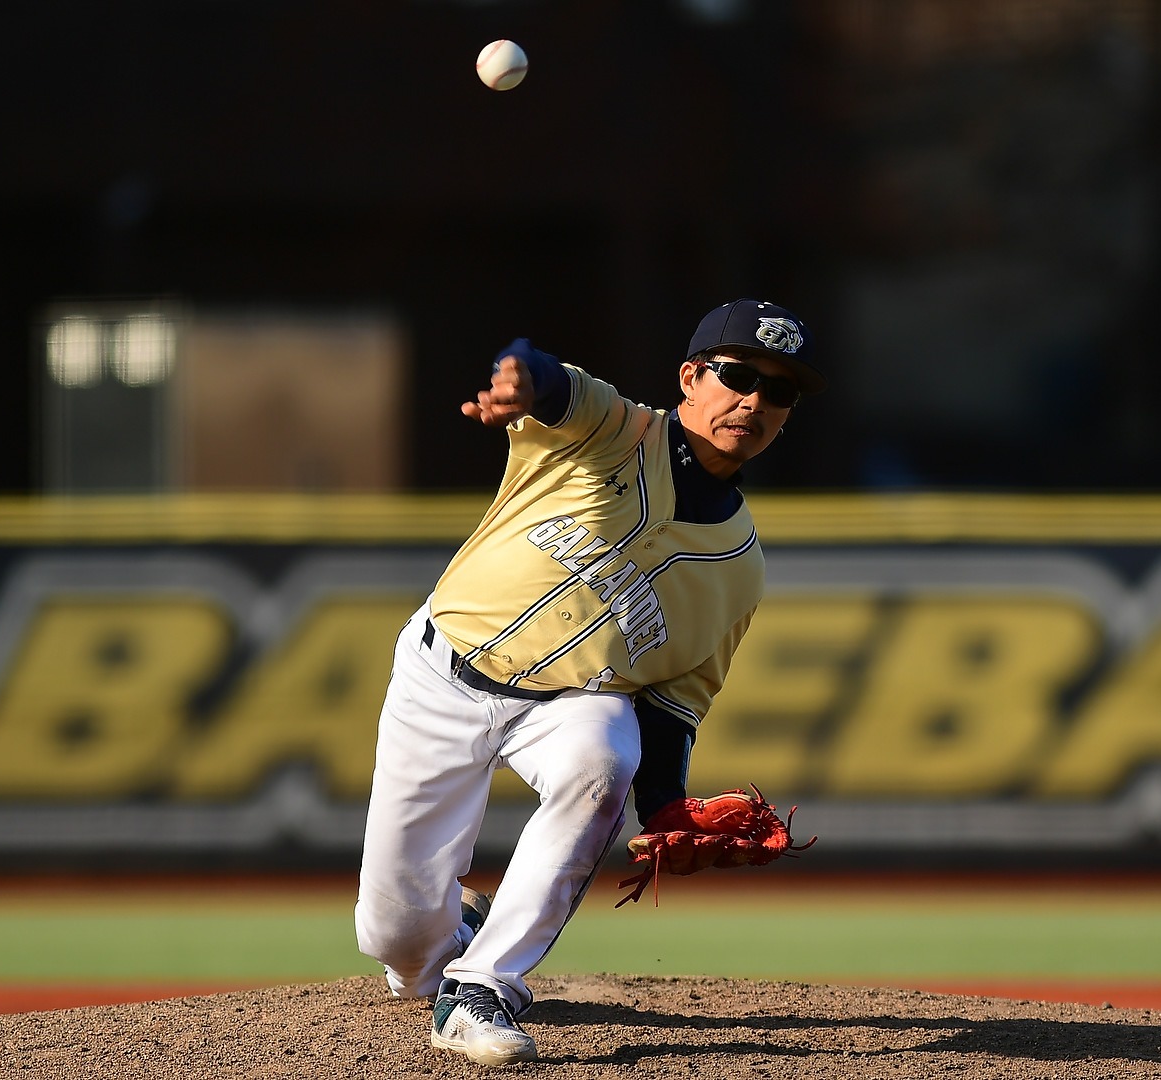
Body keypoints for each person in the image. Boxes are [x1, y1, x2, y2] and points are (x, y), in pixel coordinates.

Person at [353, 299, 824, 1067]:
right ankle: (450, 941)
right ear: (690, 378)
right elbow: (548, 378)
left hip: (573, 703)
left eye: (779, 392)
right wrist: (518, 380)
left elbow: (675, 701)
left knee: (606, 759)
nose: (754, 401)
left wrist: (665, 806)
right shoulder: (616, 429)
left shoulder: (740, 570)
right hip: (442, 676)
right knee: (397, 945)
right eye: (738, 375)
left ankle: (484, 986)